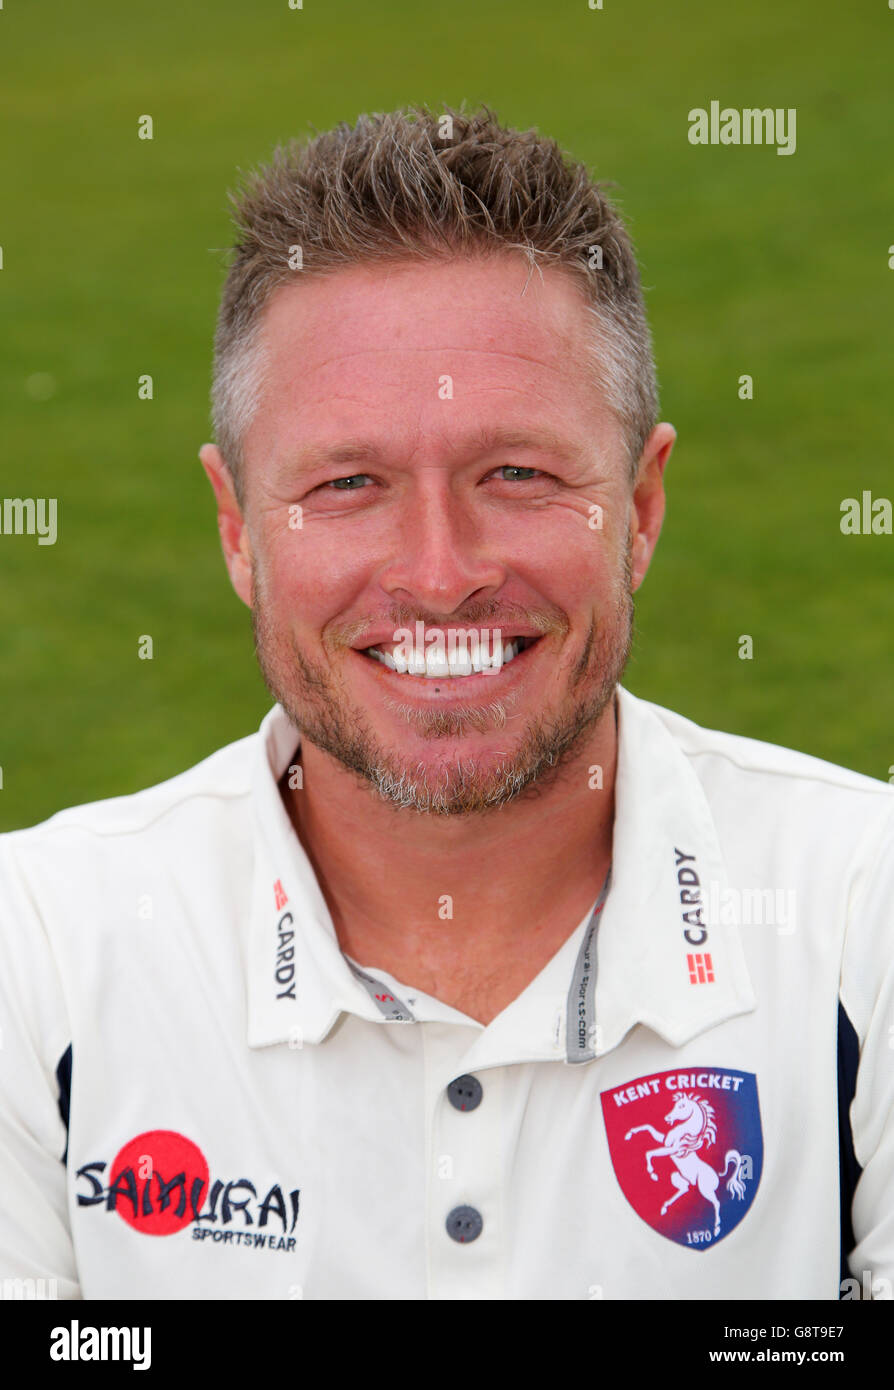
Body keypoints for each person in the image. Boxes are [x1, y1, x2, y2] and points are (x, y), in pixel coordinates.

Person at [1, 105, 891, 1302]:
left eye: (516, 473)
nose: (438, 569)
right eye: (348, 482)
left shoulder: (861, 918)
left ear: (639, 507)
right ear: (237, 529)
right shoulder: (38, 956)